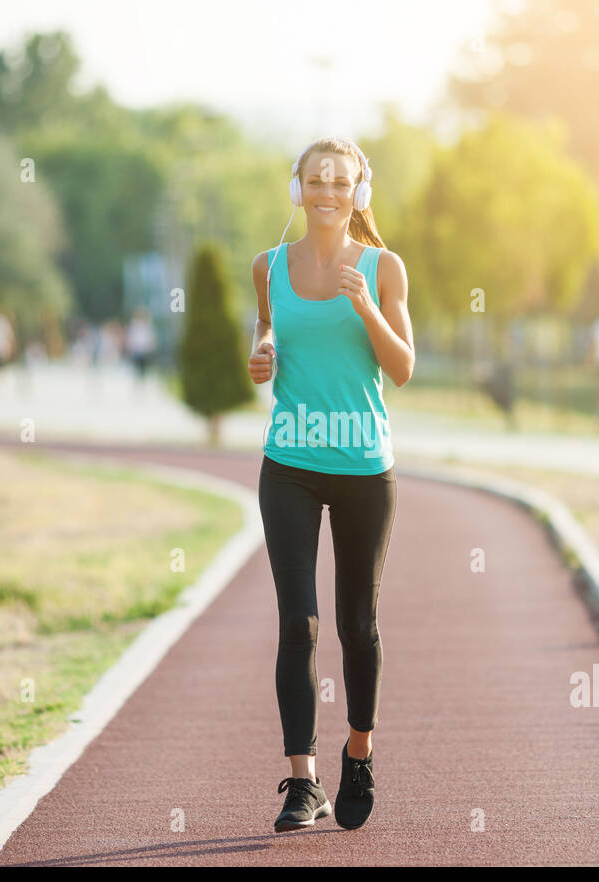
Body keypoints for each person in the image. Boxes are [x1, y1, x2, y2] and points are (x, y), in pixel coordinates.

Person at [249, 136, 415, 833]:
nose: (327, 191)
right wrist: (260, 351)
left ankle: (360, 752)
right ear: (298, 189)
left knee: (358, 625)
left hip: (363, 471)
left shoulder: (384, 267)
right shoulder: (268, 266)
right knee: (298, 622)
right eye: (316, 179)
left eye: (340, 181)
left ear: (359, 193)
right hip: (288, 463)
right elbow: (267, 328)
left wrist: (368, 308)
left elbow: (402, 368)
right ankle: (301, 781)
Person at [125, 308, 157, 384]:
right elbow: (131, 338)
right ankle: (138, 380)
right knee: (137, 367)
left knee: (143, 367)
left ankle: (141, 380)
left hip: (143, 350)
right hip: (136, 350)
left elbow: (150, 338)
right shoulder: (134, 326)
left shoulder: (146, 326)